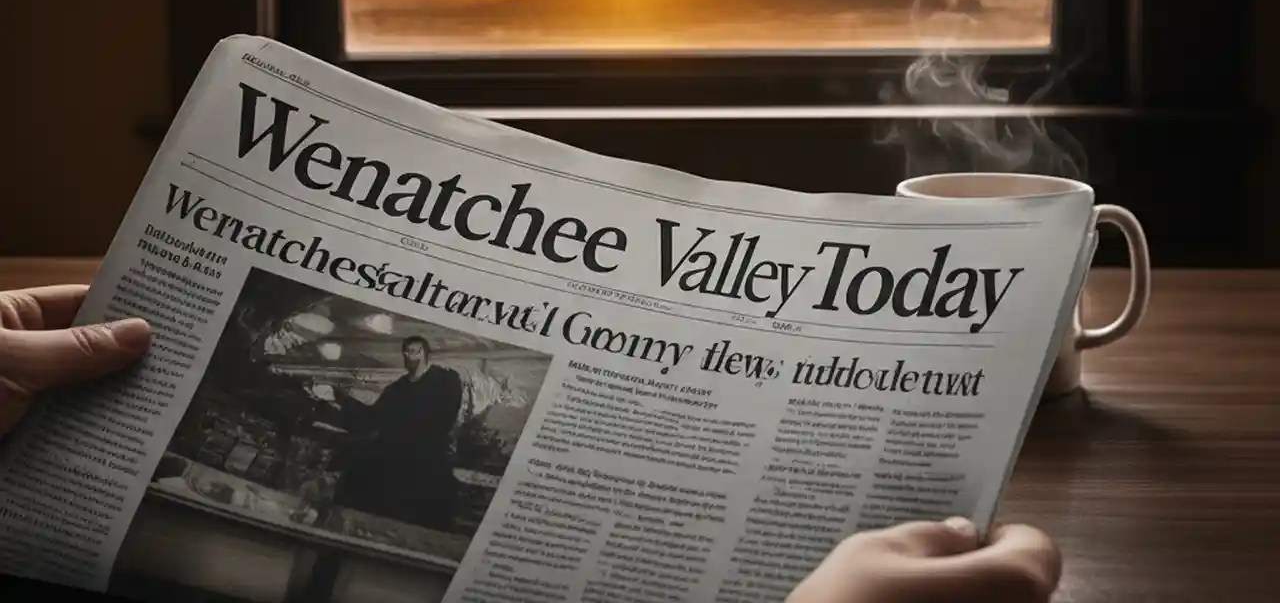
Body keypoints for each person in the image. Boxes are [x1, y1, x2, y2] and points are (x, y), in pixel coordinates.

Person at [0, 284, 1063, 602]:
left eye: (415, 347)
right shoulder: (406, 390)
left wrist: (356, 410)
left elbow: (405, 425)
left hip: (405, 484)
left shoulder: (445, 380)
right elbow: (374, 424)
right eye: (408, 347)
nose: (411, 355)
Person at [330, 334, 464, 531]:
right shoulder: (396, 389)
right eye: (407, 352)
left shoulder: (446, 381)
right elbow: (370, 419)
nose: (410, 356)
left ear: (426, 354)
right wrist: (342, 399)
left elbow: (442, 419)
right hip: (393, 460)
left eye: (415, 351)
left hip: (426, 462)